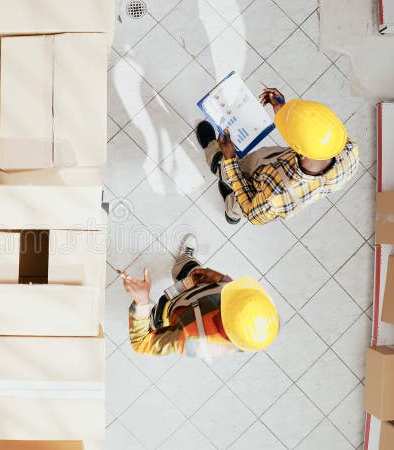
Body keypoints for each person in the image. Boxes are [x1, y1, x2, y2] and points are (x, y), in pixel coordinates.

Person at [198, 88, 361, 225]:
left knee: (237, 198)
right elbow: (314, 132)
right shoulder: (349, 150)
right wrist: (287, 112)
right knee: (239, 189)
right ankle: (232, 206)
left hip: (258, 189)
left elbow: (251, 213)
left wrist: (230, 159)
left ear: (301, 151)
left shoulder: (277, 197)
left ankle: (230, 209)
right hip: (273, 166)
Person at [122, 233, 279, 359]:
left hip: (169, 313)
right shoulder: (246, 312)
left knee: (154, 317)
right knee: (191, 271)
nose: (234, 290)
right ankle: (184, 262)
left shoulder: (192, 341)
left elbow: (142, 343)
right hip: (197, 289)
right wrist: (221, 280)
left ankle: (148, 312)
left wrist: (141, 302)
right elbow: (234, 291)